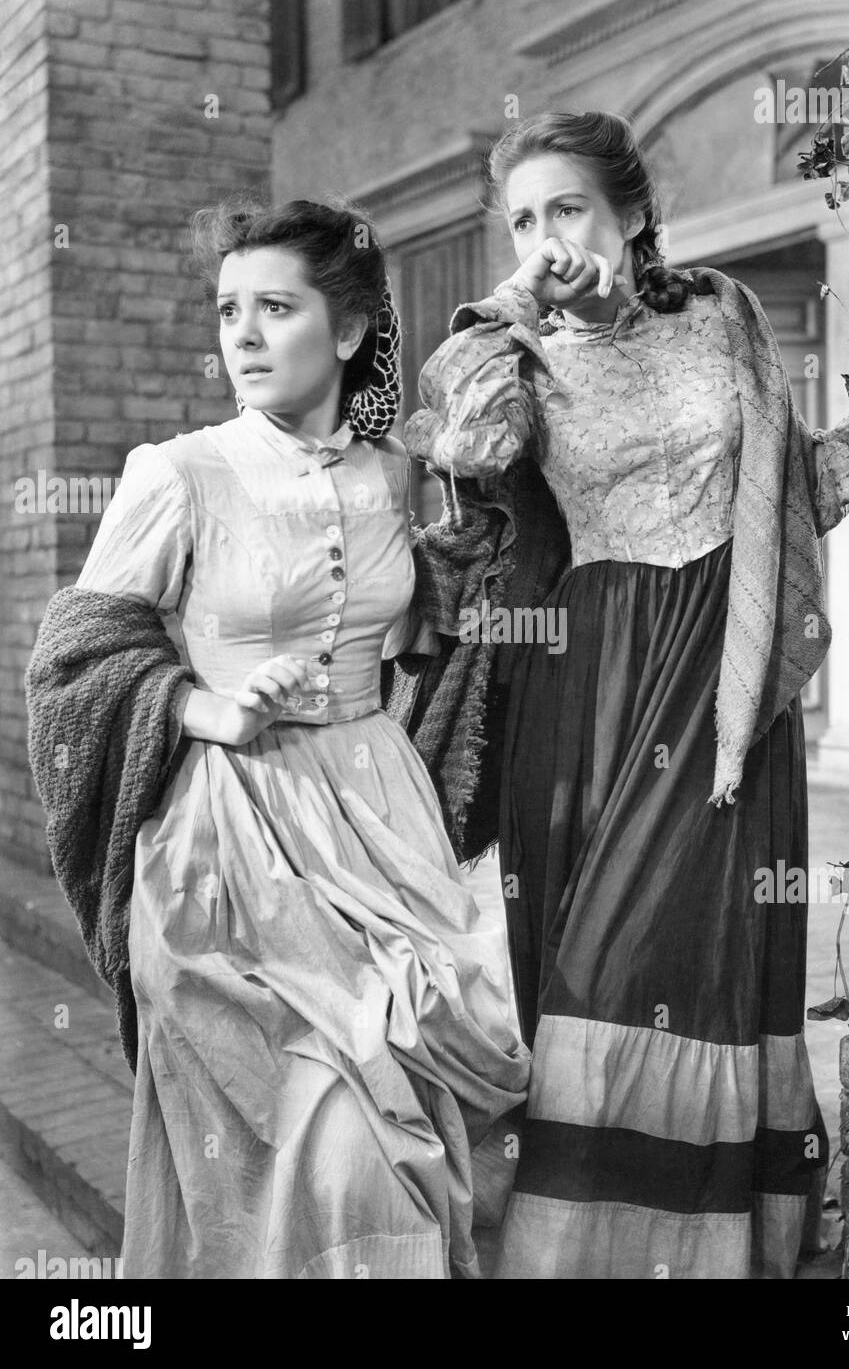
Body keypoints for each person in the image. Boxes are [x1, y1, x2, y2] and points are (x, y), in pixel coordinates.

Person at [404, 111, 849, 1279]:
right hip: (586, 692)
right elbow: (466, 448)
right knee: (597, 961)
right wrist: (515, 306)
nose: (547, 237)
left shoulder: (722, 313)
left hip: (721, 684)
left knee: (700, 959)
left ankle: (713, 1247)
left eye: (566, 209)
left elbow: (778, 486)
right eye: (522, 221)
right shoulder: (513, 356)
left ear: (630, 213)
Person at [25, 198, 529, 1279]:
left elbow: (441, 643)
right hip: (229, 841)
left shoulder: (399, 477)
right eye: (228, 310)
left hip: (383, 823)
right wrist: (206, 705)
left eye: (274, 308)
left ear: (347, 331)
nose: (241, 336)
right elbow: (70, 659)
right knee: (330, 1143)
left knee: (426, 1125)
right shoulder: (181, 473)